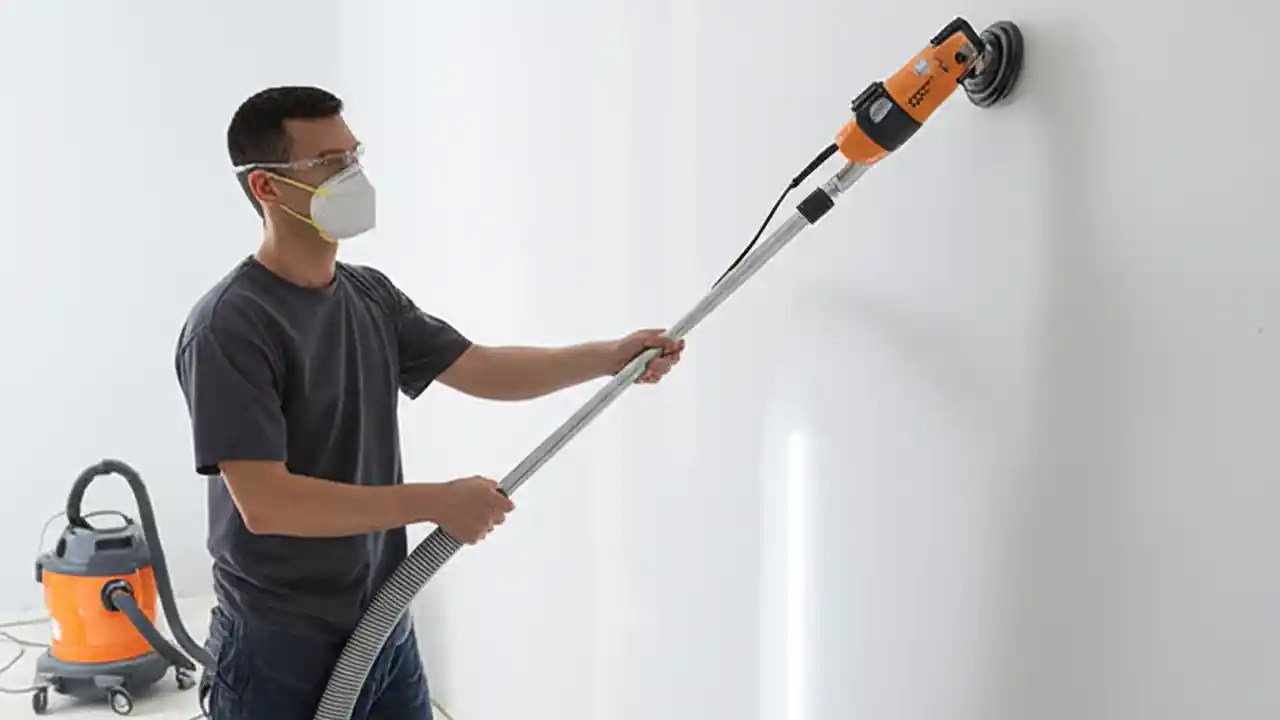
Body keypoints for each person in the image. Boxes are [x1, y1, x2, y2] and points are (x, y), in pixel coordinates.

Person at [173, 85, 684, 720]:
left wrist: (607, 358)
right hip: (279, 649)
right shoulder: (231, 325)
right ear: (268, 189)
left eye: (355, 157)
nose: (353, 176)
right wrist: (438, 503)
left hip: (383, 623)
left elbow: (484, 367)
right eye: (329, 164)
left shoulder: (369, 296)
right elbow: (267, 503)